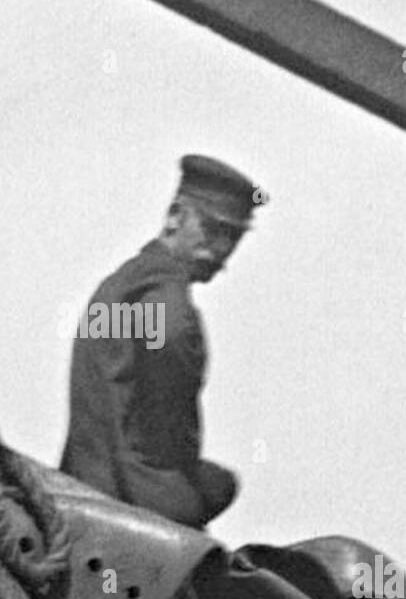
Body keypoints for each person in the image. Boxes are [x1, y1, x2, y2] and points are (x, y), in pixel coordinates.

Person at [60, 154, 267, 528]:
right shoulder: (164, 294)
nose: (220, 249)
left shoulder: (125, 283)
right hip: (132, 498)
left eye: (232, 237)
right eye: (212, 228)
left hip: (86, 479)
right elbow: (168, 349)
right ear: (175, 216)